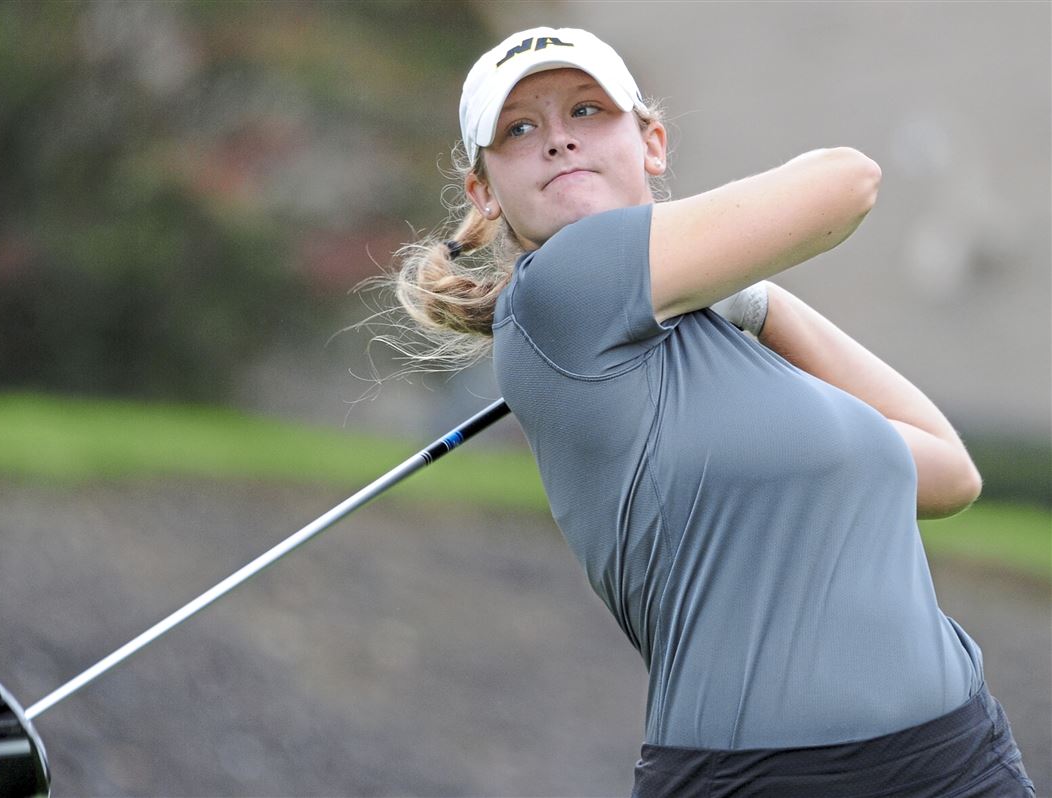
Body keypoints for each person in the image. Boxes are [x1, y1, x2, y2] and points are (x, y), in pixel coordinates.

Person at [382, 26, 1035, 797]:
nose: (558, 140)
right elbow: (846, 180)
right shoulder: (560, 287)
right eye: (520, 129)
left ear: (651, 142)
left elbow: (947, 472)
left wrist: (752, 301)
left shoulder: (727, 344)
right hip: (767, 781)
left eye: (587, 111)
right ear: (485, 194)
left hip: (961, 757)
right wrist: (731, 272)